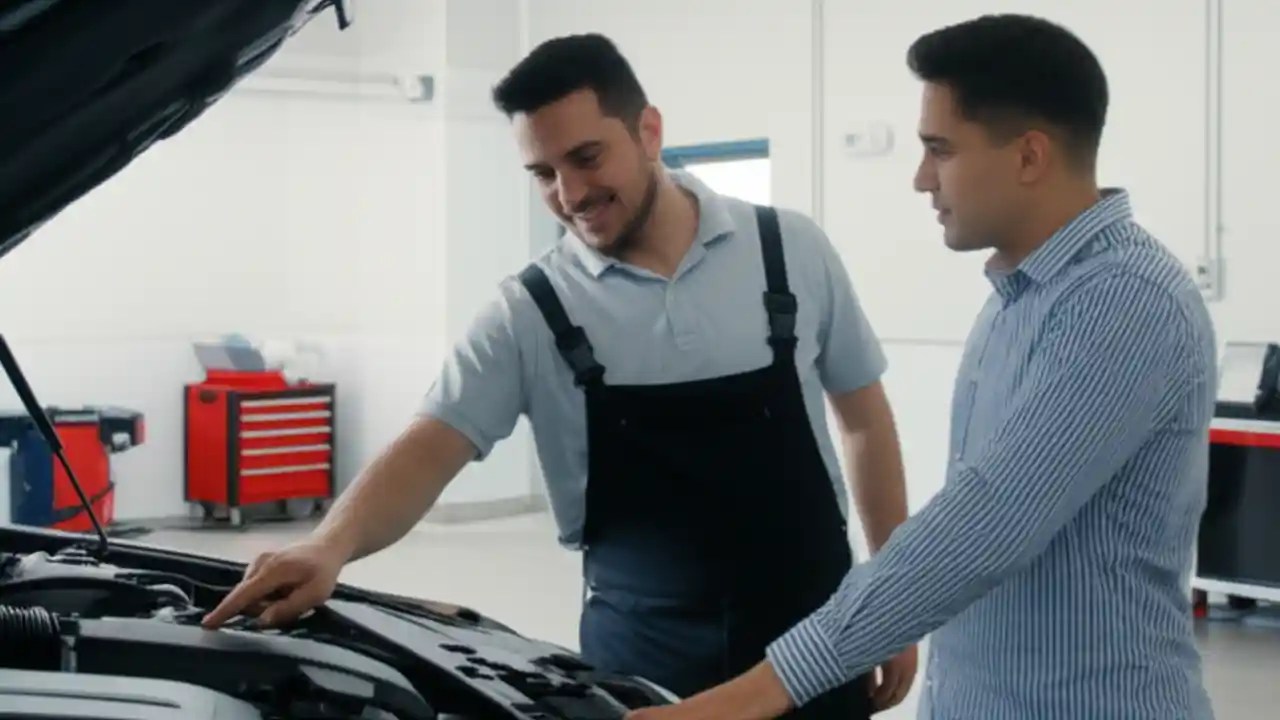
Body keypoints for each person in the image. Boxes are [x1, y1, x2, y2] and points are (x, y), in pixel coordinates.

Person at [200, 32, 917, 716]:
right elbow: (431, 443)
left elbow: (862, 415)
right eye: (543, 173)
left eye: (586, 157)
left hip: (814, 643)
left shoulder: (790, 249)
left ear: (649, 132)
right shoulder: (532, 311)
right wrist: (329, 545)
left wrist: (890, 591)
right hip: (642, 657)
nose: (569, 193)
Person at [625, 13, 1218, 720]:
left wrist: (756, 694)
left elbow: (985, 524)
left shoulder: (1124, 301)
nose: (919, 178)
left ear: (1029, 156)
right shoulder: (1018, 299)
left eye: (940, 149)